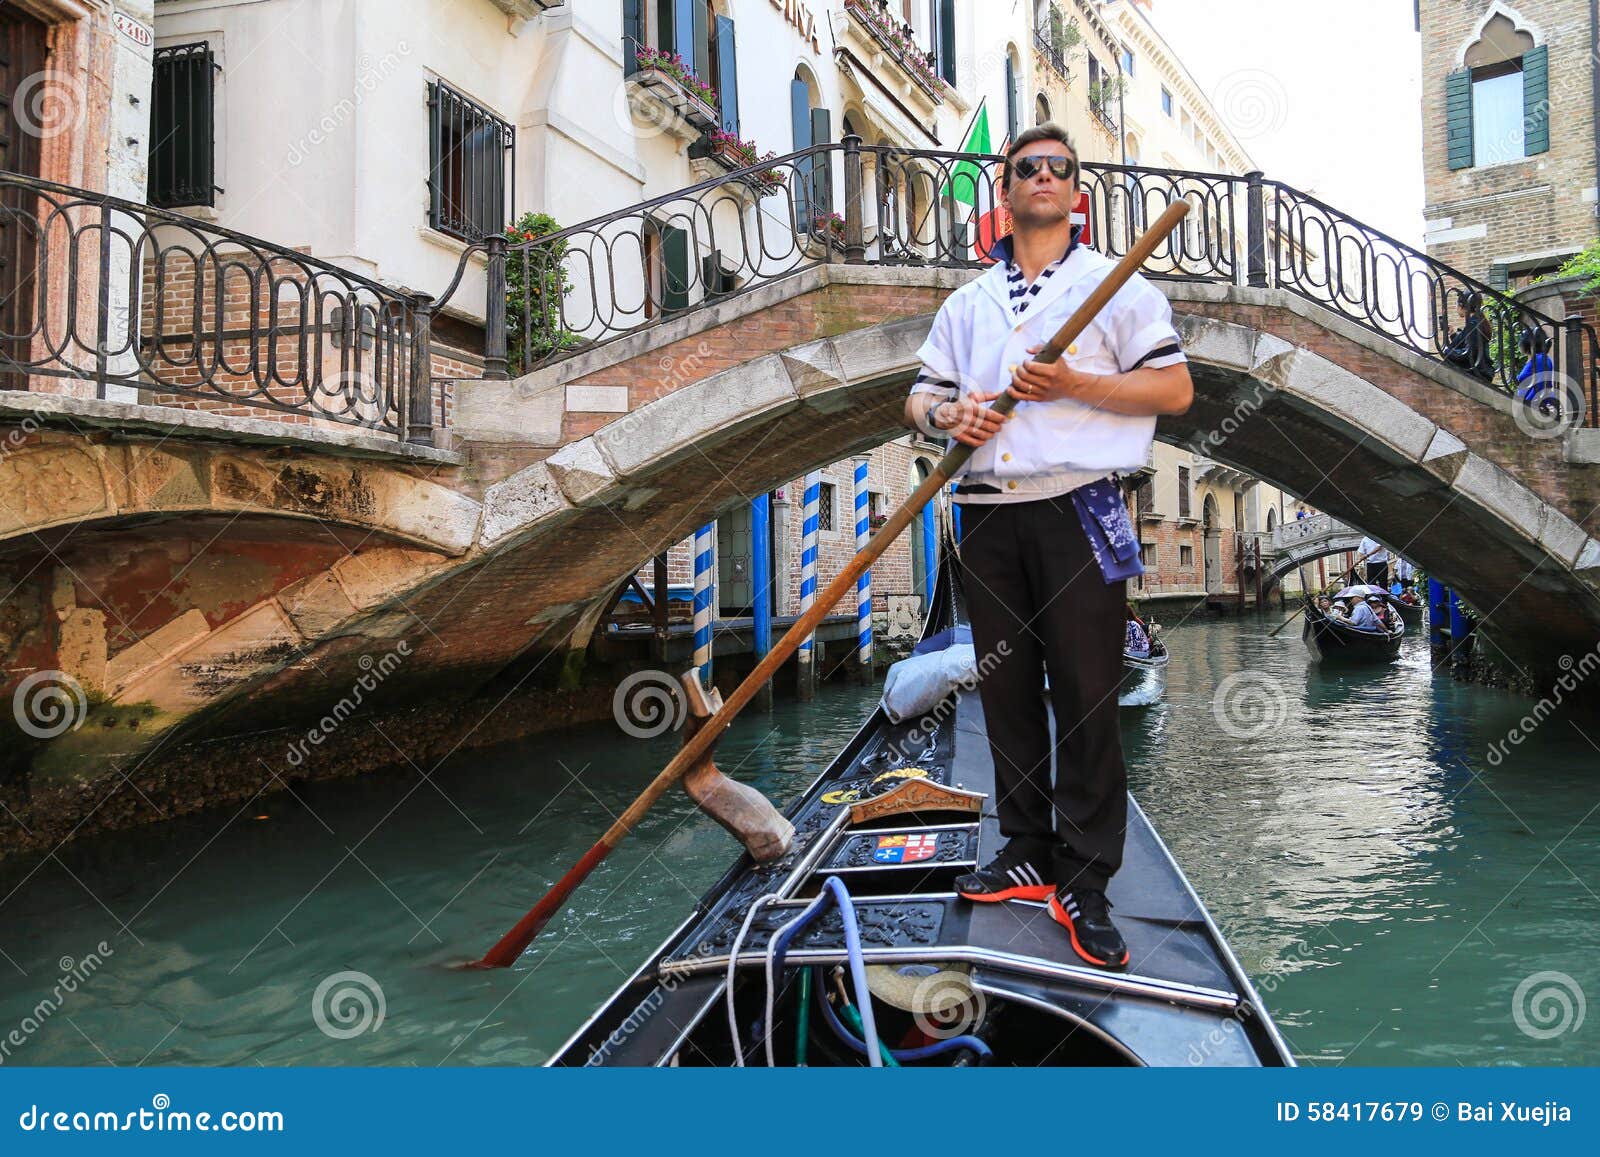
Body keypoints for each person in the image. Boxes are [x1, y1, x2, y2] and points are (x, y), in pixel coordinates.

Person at [904, 122, 1193, 970]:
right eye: (1027, 167)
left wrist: (1073, 384)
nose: (1043, 177)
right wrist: (947, 415)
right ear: (1005, 192)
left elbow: (1174, 387)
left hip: (1079, 505)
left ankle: (1086, 878)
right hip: (987, 511)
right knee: (1005, 695)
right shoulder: (966, 304)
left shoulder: (1115, 285)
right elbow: (917, 397)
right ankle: (1025, 846)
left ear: (1077, 193)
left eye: (1059, 169)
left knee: (1088, 694)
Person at [1443, 289, 1495, 383]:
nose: (1456, 307)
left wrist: (1447, 351)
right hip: (1481, 370)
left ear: (1462, 306)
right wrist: (1453, 334)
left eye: (1456, 304)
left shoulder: (1473, 324)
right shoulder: (1477, 321)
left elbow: (1469, 353)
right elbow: (1470, 343)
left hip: (1478, 373)